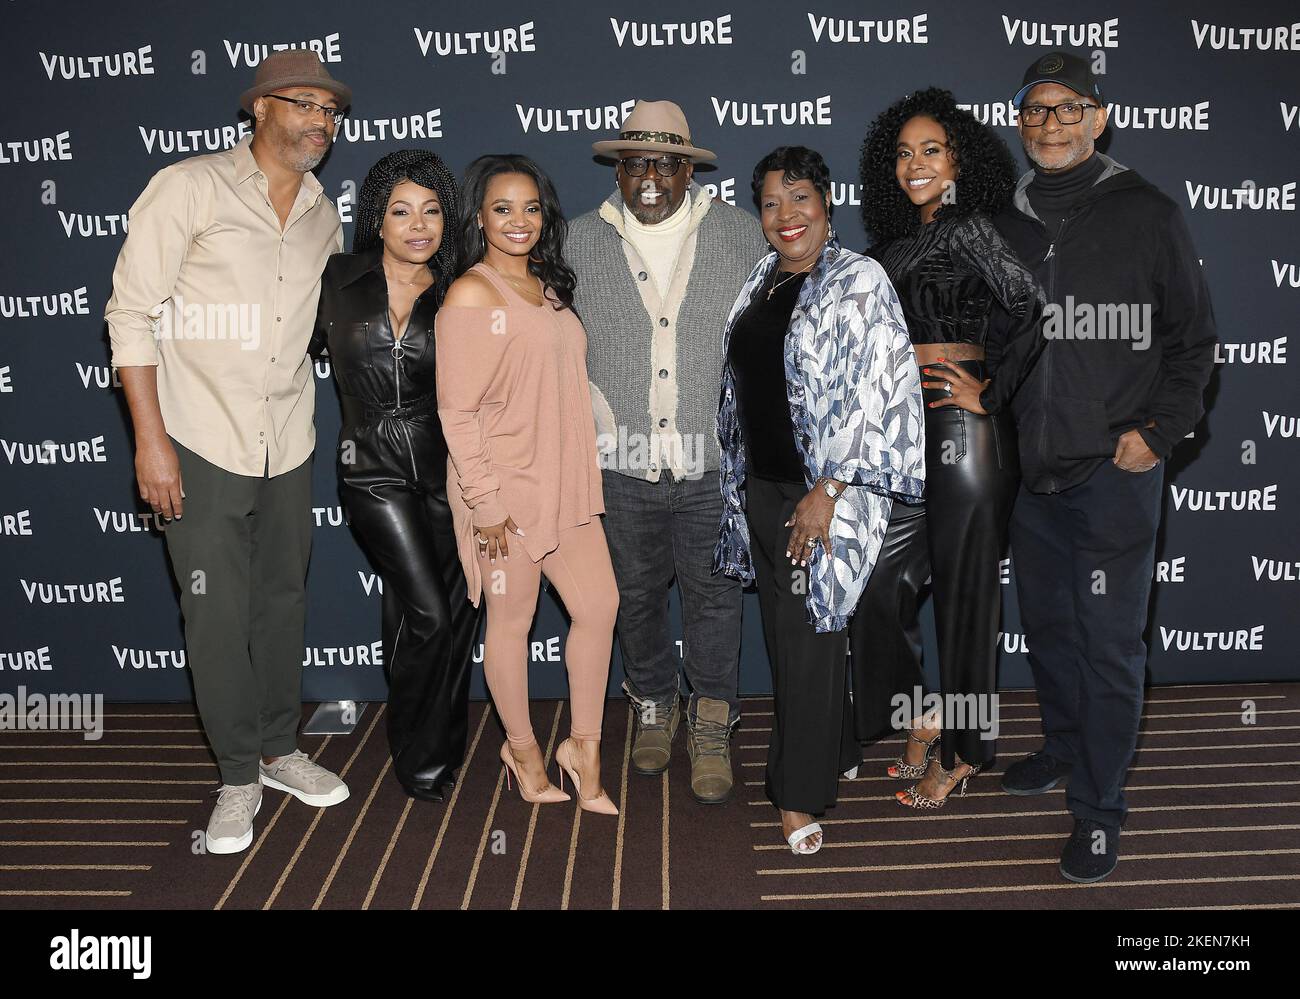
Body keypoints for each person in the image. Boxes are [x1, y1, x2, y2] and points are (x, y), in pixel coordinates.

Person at [104, 51, 352, 855]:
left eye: (331, 109)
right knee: (214, 610)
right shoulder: (189, 187)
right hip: (198, 437)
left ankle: (280, 749)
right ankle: (238, 773)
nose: (321, 120)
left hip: (287, 438)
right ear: (258, 108)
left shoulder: (323, 212)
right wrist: (151, 441)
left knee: (282, 598)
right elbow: (131, 316)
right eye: (304, 103)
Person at [994, 52, 1217, 882]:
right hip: (1032, 473)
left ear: (1098, 118)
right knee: (1050, 627)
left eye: (1067, 108)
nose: (1050, 123)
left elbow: (1195, 343)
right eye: (1036, 109)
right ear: (1022, 122)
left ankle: (1097, 809)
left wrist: (1158, 433)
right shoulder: (1003, 221)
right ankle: (1060, 746)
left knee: (1110, 645)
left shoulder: (1148, 213)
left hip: (1116, 471)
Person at [714, 146, 925, 854]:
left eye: (799, 197)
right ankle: (834, 744)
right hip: (765, 488)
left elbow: (881, 395)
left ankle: (799, 794)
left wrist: (828, 491)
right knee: (792, 636)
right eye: (771, 202)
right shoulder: (763, 279)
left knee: (806, 641)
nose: (785, 214)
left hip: (821, 495)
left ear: (828, 204)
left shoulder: (858, 281)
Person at [566, 100, 764, 804]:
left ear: (690, 169)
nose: (651, 176)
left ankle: (712, 721)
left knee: (715, 600)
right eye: (635, 163)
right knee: (636, 597)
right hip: (619, 465)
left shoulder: (742, 235)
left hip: (711, 463)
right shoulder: (578, 241)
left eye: (666, 163)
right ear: (617, 170)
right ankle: (653, 703)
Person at [855, 88, 1047, 810]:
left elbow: (1031, 309)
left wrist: (989, 393)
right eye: (903, 153)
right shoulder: (895, 243)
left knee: (967, 599)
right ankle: (920, 714)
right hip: (906, 434)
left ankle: (966, 750)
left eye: (930, 150)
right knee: (879, 582)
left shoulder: (968, 229)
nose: (915, 164)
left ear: (959, 159)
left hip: (964, 436)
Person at [436, 154, 620, 814]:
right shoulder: (470, 294)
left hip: (565, 484)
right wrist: (484, 504)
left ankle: (584, 748)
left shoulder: (547, 285)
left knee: (599, 607)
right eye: (503, 208)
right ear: (479, 217)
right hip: (504, 493)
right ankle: (523, 751)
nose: (520, 220)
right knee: (511, 623)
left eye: (532, 207)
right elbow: (456, 410)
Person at [310, 149, 481, 802]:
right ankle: (417, 756)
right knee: (429, 615)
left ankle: (442, 738)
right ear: (376, 219)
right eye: (401, 211)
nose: (419, 225)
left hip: (451, 473)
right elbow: (276, 358)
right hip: (371, 473)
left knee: (451, 614)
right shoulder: (335, 280)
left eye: (432, 210)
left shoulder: (464, 288)